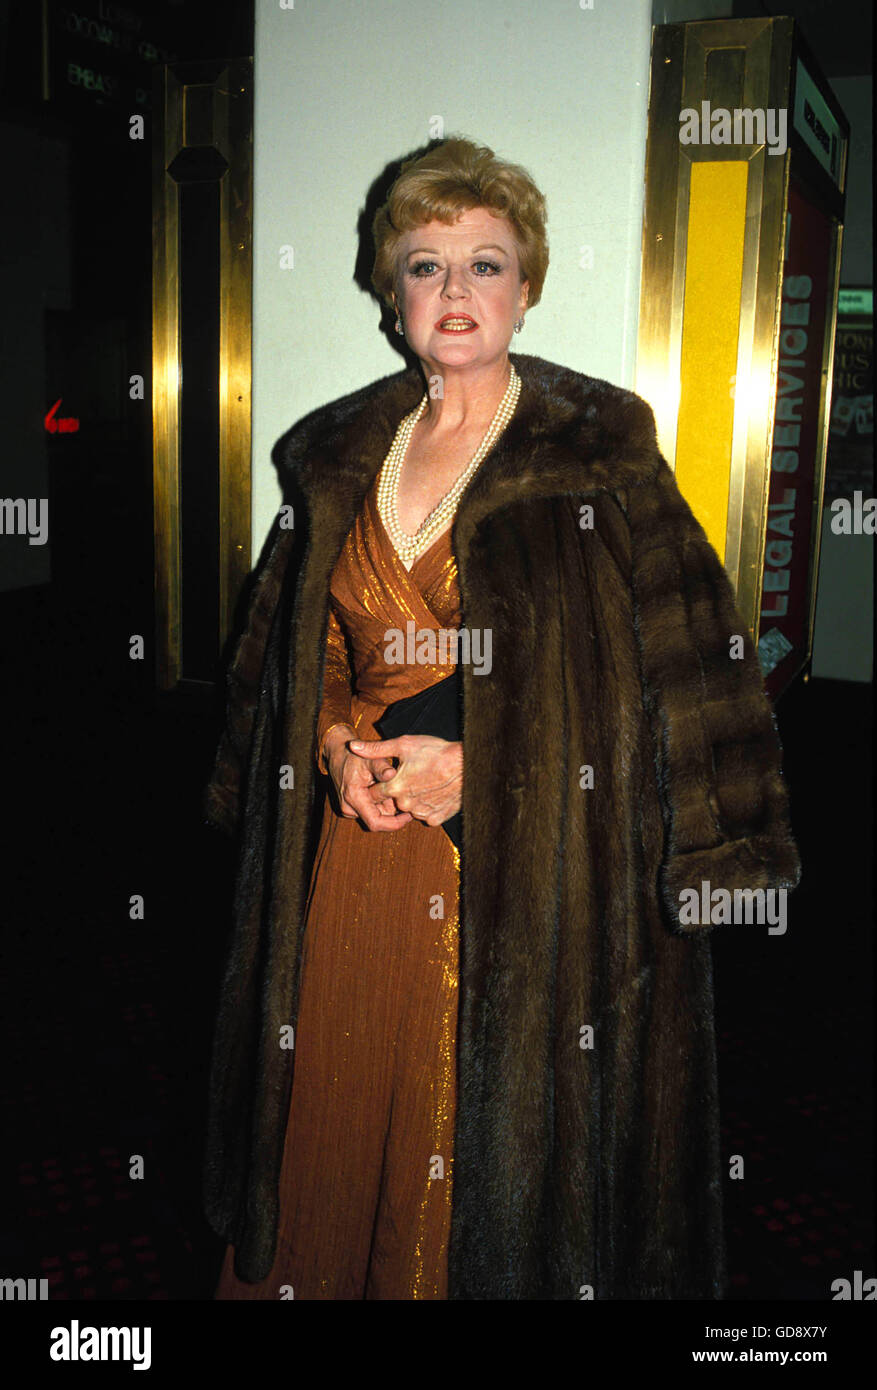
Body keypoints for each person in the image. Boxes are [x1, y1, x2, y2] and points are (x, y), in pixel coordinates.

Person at [202, 136, 801, 1300]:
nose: (456, 292)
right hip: (350, 865)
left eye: (485, 263)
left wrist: (488, 774)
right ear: (392, 294)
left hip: (527, 885)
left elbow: (681, 678)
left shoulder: (596, 460)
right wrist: (327, 742)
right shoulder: (336, 457)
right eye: (426, 265)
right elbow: (295, 655)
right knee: (331, 1118)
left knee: (487, 1171)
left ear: (526, 286)